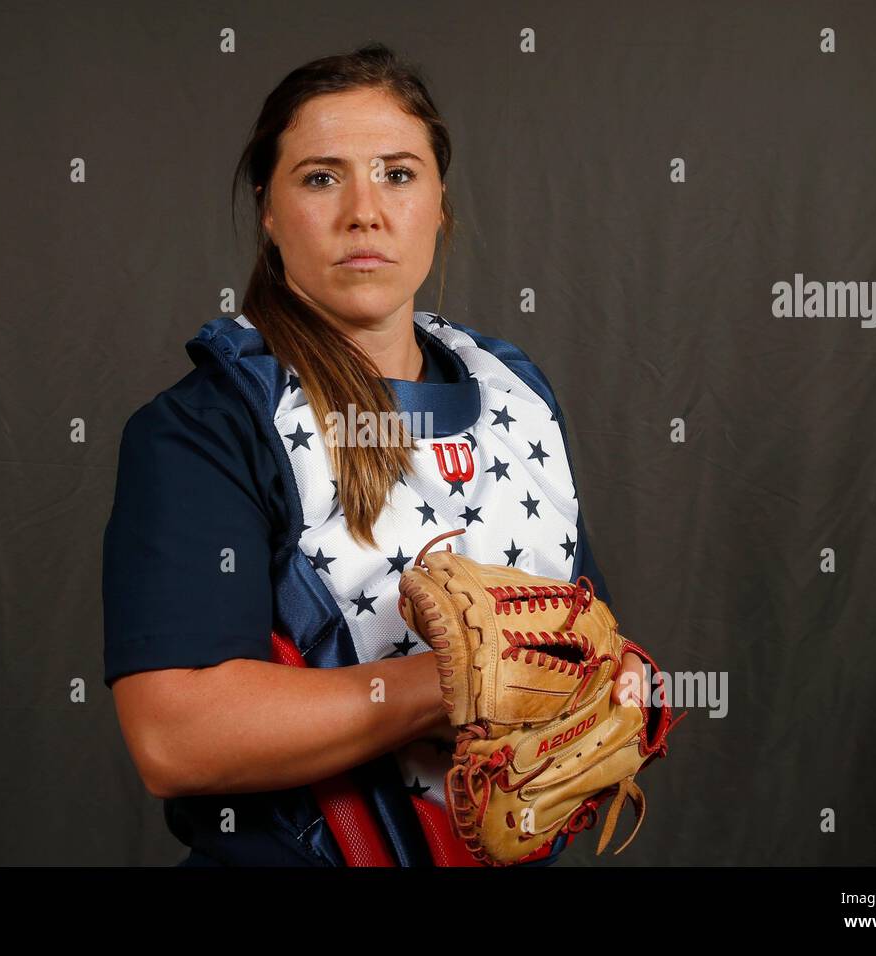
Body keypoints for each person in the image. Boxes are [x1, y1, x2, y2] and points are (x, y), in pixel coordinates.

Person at [101, 42, 652, 867]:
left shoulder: (517, 399)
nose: (366, 210)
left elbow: (591, 651)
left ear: (439, 203)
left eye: (398, 174)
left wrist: (622, 691)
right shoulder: (210, 426)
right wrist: (447, 683)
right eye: (321, 177)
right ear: (268, 209)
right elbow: (176, 738)